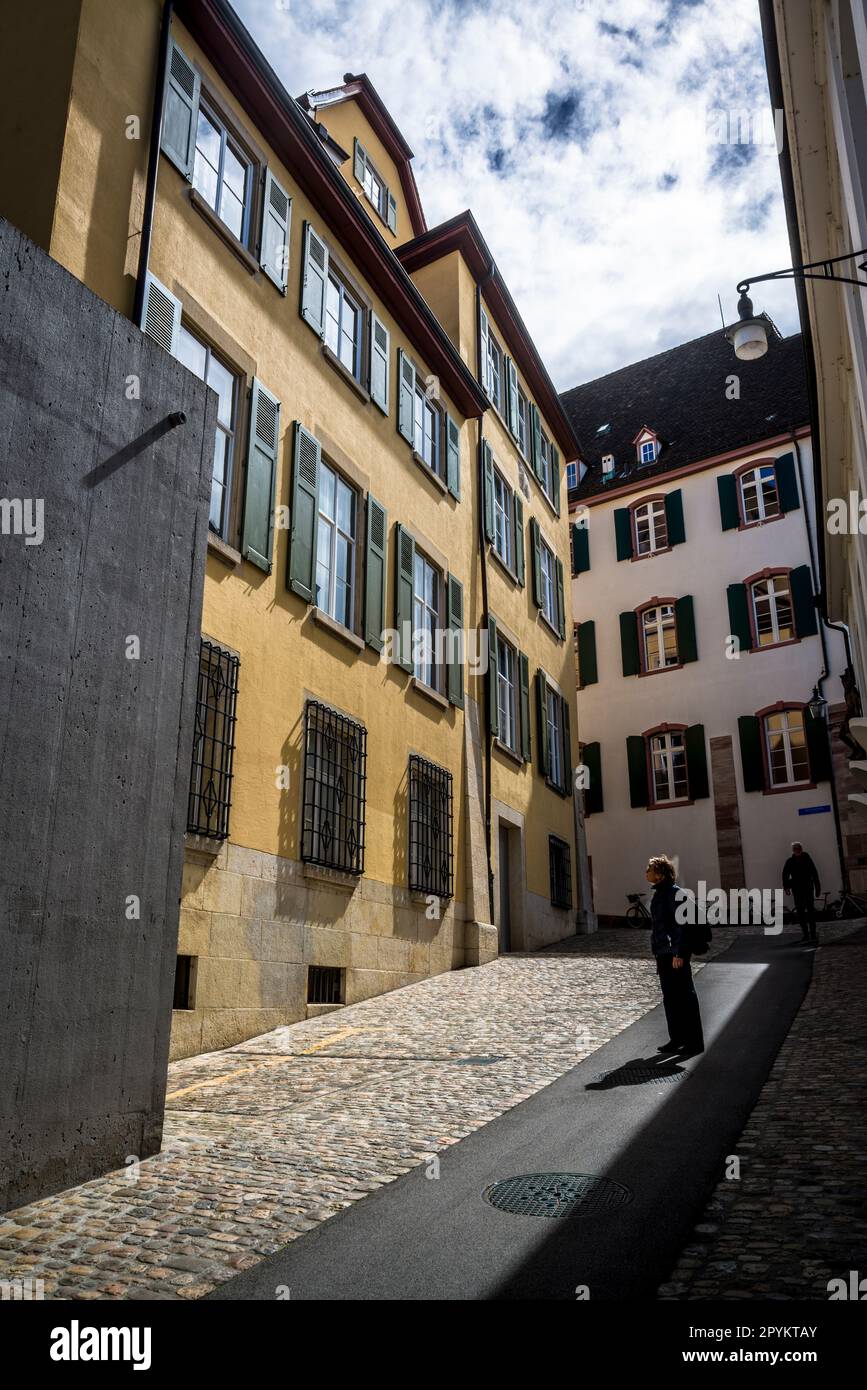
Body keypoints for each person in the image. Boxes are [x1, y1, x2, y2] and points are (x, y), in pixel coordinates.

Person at [646, 854, 704, 1057]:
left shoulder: (673, 893)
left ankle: (694, 1042)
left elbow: (681, 926)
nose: (646, 872)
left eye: (649, 869)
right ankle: (677, 1038)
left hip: (675, 953)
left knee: (685, 997)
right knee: (670, 997)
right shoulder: (660, 893)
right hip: (663, 953)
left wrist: (679, 952)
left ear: (660, 874)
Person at [782, 841, 821, 945]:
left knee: (811, 911)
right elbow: (785, 874)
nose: (797, 850)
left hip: (808, 888)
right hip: (797, 890)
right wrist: (786, 887)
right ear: (793, 850)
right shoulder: (790, 861)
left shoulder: (808, 860)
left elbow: (814, 873)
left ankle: (812, 934)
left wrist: (818, 888)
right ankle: (805, 934)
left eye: (798, 848)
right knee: (800, 913)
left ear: (801, 849)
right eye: (795, 848)